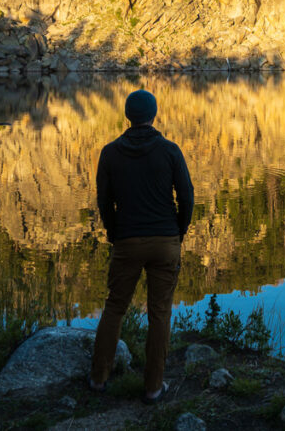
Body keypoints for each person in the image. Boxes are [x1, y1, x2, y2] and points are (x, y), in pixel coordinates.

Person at [89, 89, 194, 403]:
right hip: (166, 241)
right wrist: (179, 231)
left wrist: (113, 230)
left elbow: (104, 201)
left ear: (127, 116)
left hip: (127, 241)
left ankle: (98, 379)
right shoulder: (170, 151)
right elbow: (187, 197)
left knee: (115, 307)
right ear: (154, 114)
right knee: (160, 313)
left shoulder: (109, 153)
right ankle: (153, 387)